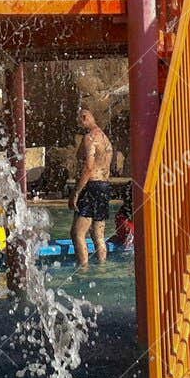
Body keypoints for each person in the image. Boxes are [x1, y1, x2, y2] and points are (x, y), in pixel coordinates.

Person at [68, 105, 113, 268]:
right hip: (105, 186)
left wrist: (76, 192)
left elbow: (88, 167)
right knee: (98, 234)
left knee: (77, 233)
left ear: (85, 118)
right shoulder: (105, 139)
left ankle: (83, 270)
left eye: (79, 122)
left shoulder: (90, 138)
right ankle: (102, 267)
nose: (78, 126)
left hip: (92, 185)